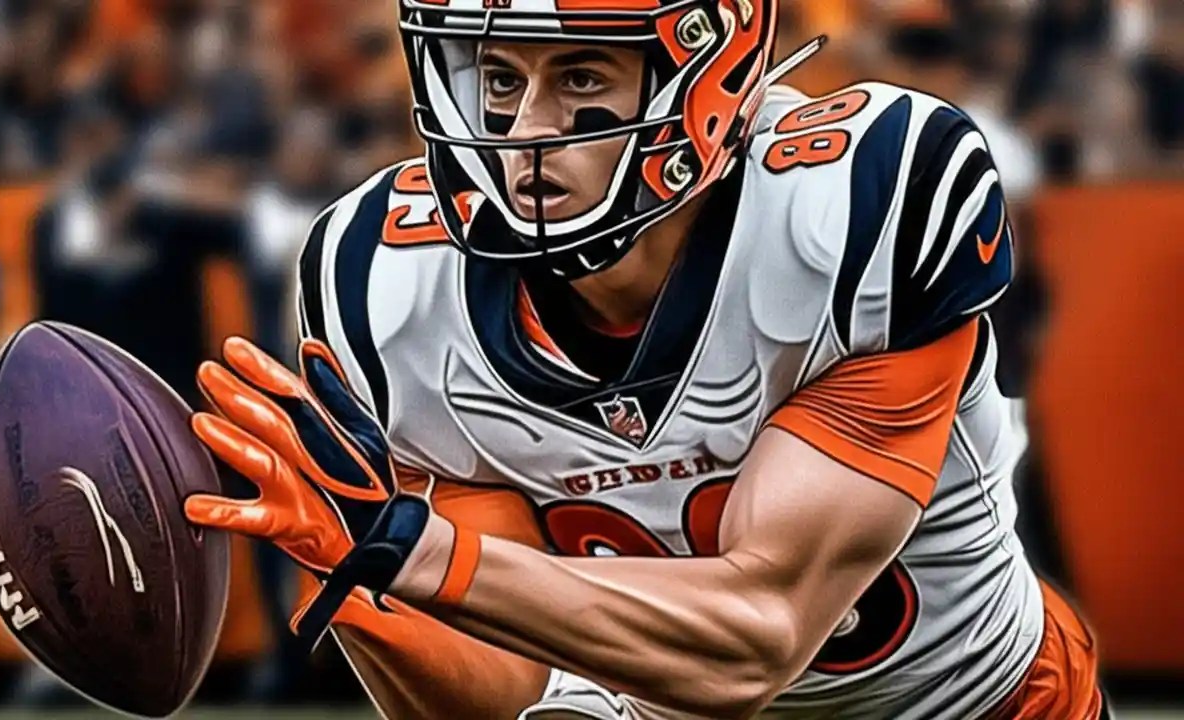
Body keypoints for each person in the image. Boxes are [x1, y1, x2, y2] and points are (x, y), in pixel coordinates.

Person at [181, 1, 1105, 718]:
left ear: (705, 74)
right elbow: (511, 696)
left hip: (970, 703)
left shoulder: (854, 210)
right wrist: (361, 584)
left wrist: (415, 552)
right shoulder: (386, 285)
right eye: (498, 77)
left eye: (581, 75)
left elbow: (758, 638)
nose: (524, 131)